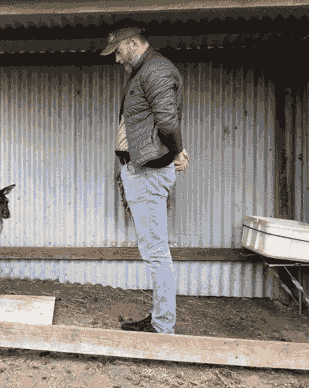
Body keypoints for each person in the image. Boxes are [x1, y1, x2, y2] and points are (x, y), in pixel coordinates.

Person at [101, 26, 190, 334]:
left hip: (148, 174)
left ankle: (163, 327)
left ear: (133, 43)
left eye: (118, 51)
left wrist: (178, 152)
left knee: (156, 253)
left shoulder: (157, 70)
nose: (116, 59)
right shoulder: (146, 70)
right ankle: (158, 319)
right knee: (152, 250)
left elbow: (167, 120)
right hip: (139, 170)